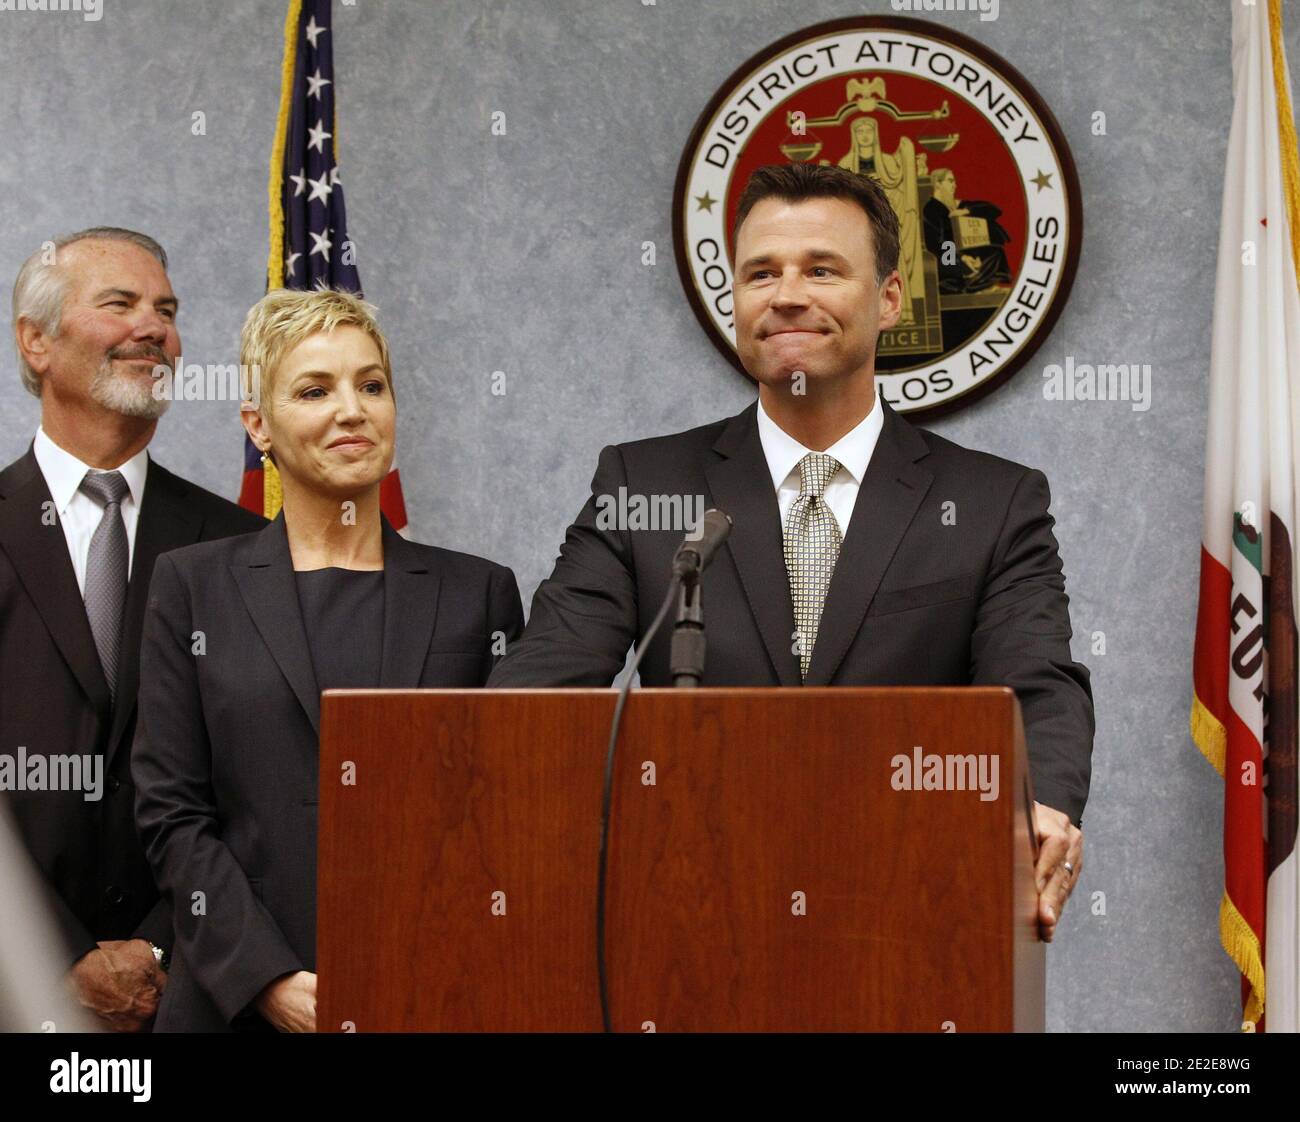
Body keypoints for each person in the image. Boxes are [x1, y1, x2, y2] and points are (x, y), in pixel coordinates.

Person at [489, 163, 1093, 941]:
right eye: (760, 273)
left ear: (888, 300)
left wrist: (1038, 805)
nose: (786, 295)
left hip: (913, 925)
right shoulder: (644, 485)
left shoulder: (992, 503)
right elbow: (537, 693)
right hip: (690, 925)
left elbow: (1037, 686)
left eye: (821, 270)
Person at [133, 287, 524, 1032]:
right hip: (231, 1004)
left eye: (371, 385)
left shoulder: (479, 593)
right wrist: (268, 978)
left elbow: (499, 821)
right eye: (315, 390)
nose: (352, 409)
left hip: (429, 995)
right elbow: (171, 814)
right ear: (259, 426)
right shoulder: (192, 587)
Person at [0, 227, 265, 1032]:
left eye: (168, 310)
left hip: (191, 990)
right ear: (36, 341)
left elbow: (254, 780)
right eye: (120, 303)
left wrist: (154, 952)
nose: (155, 329)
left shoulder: (239, 547)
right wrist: (60, 959)